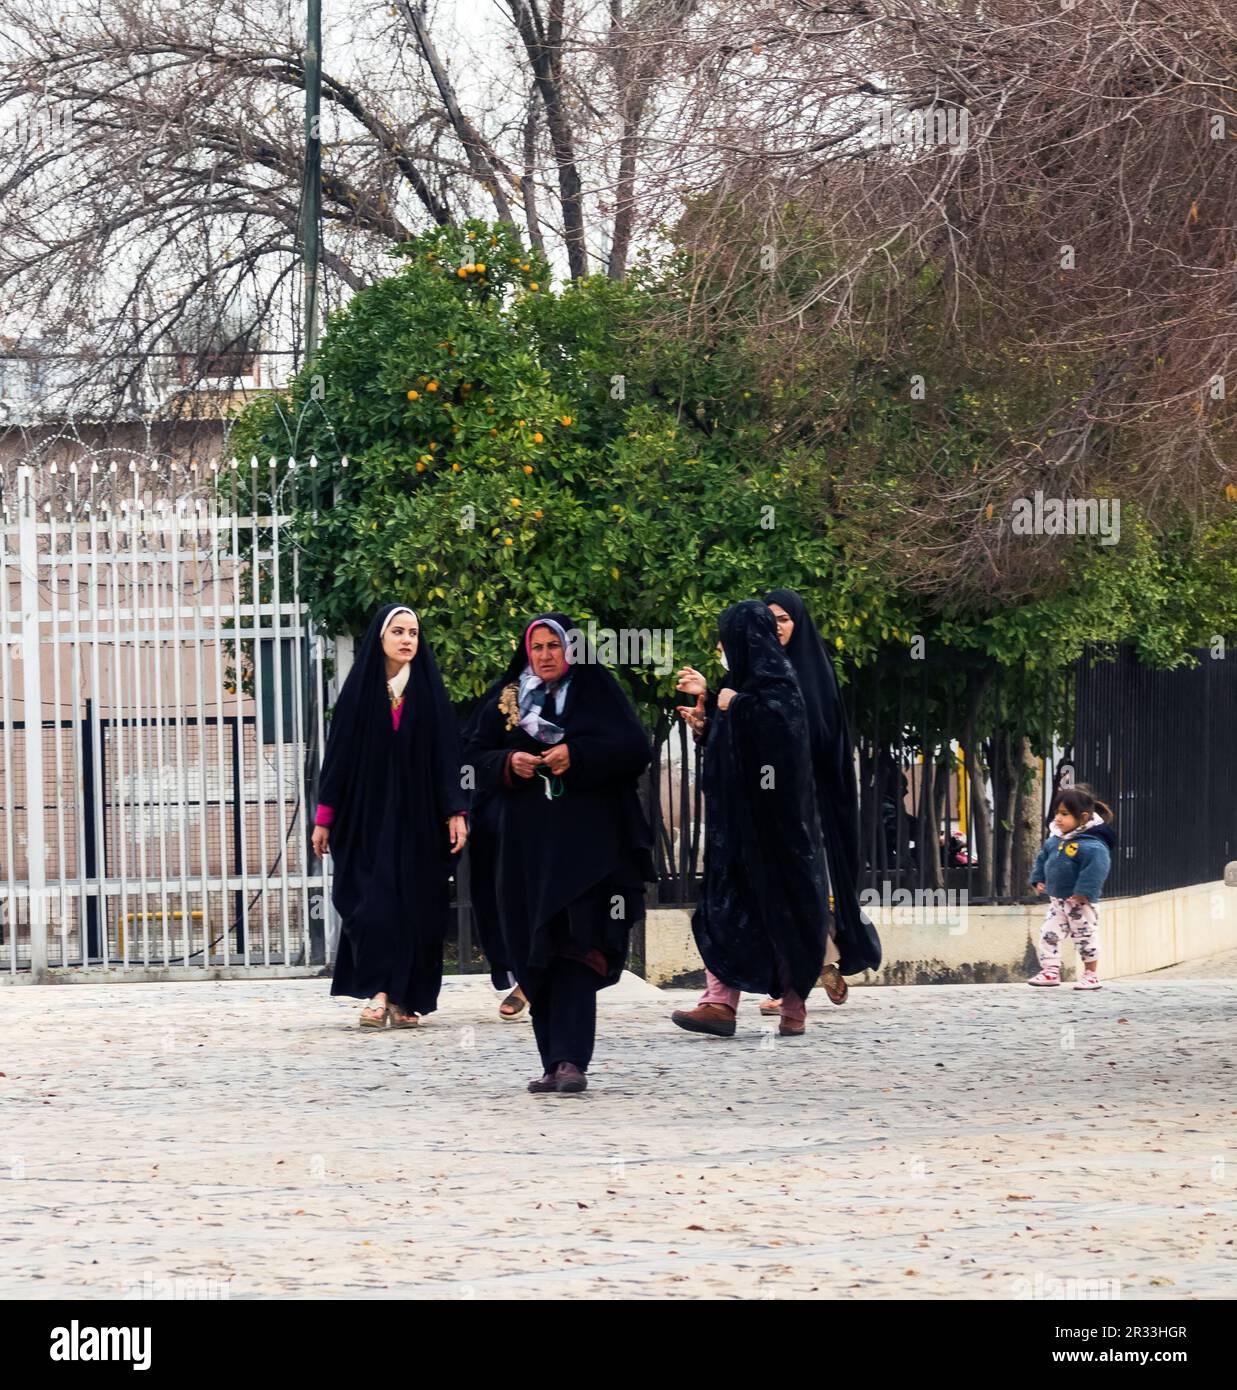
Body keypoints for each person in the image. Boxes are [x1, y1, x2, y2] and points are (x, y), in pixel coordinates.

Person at [462, 613, 654, 1094]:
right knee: (536, 951)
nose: (546, 655)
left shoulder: (596, 692)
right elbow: (470, 758)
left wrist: (579, 755)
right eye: (538, 647)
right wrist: (509, 762)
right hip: (523, 855)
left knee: (574, 950)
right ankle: (551, 1063)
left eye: (555, 646)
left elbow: (633, 749)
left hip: (586, 856)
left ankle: (571, 1060)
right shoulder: (507, 701)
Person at [675, 587, 881, 1012]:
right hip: (752, 805)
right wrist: (710, 716)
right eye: (771, 621)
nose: (778, 628)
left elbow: (806, 733)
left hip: (809, 802)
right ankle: (786, 983)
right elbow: (738, 736)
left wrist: (735, 704)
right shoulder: (748, 670)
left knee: (801, 888)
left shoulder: (810, 672)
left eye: (784, 619)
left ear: (798, 623)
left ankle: (804, 974)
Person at [671, 600, 829, 1039]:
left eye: (730, 637)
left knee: (782, 910)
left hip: (776, 829)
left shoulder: (779, 684)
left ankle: (793, 1007)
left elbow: (784, 736)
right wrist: (707, 728)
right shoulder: (734, 685)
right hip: (733, 828)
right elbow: (731, 748)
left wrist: (737, 706)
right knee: (726, 906)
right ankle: (719, 1003)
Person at [310, 604, 468, 1028]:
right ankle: (378, 992)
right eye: (397, 631)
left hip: (420, 820)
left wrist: (456, 810)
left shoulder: (430, 693)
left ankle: (403, 998)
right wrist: (325, 817)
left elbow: (447, 756)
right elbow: (339, 758)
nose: (406, 640)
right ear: (380, 638)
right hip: (367, 820)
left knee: (416, 907)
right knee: (372, 904)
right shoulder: (360, 693)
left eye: (413, 633)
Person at [1027, 784, 1116, 990]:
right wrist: (1039, 878)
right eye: (1057, 813)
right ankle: (1050, 971)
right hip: (1057, 901)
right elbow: (1043, 859)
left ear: (1083, 817)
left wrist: (1084, 893)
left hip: (1080, 903)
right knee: (1048, 934)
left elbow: (1096, 871)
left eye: (1064, 814)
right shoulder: (1055, 839)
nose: (1058, 818)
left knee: (1085, 937)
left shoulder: (1093, 845)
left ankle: (1091, 974)